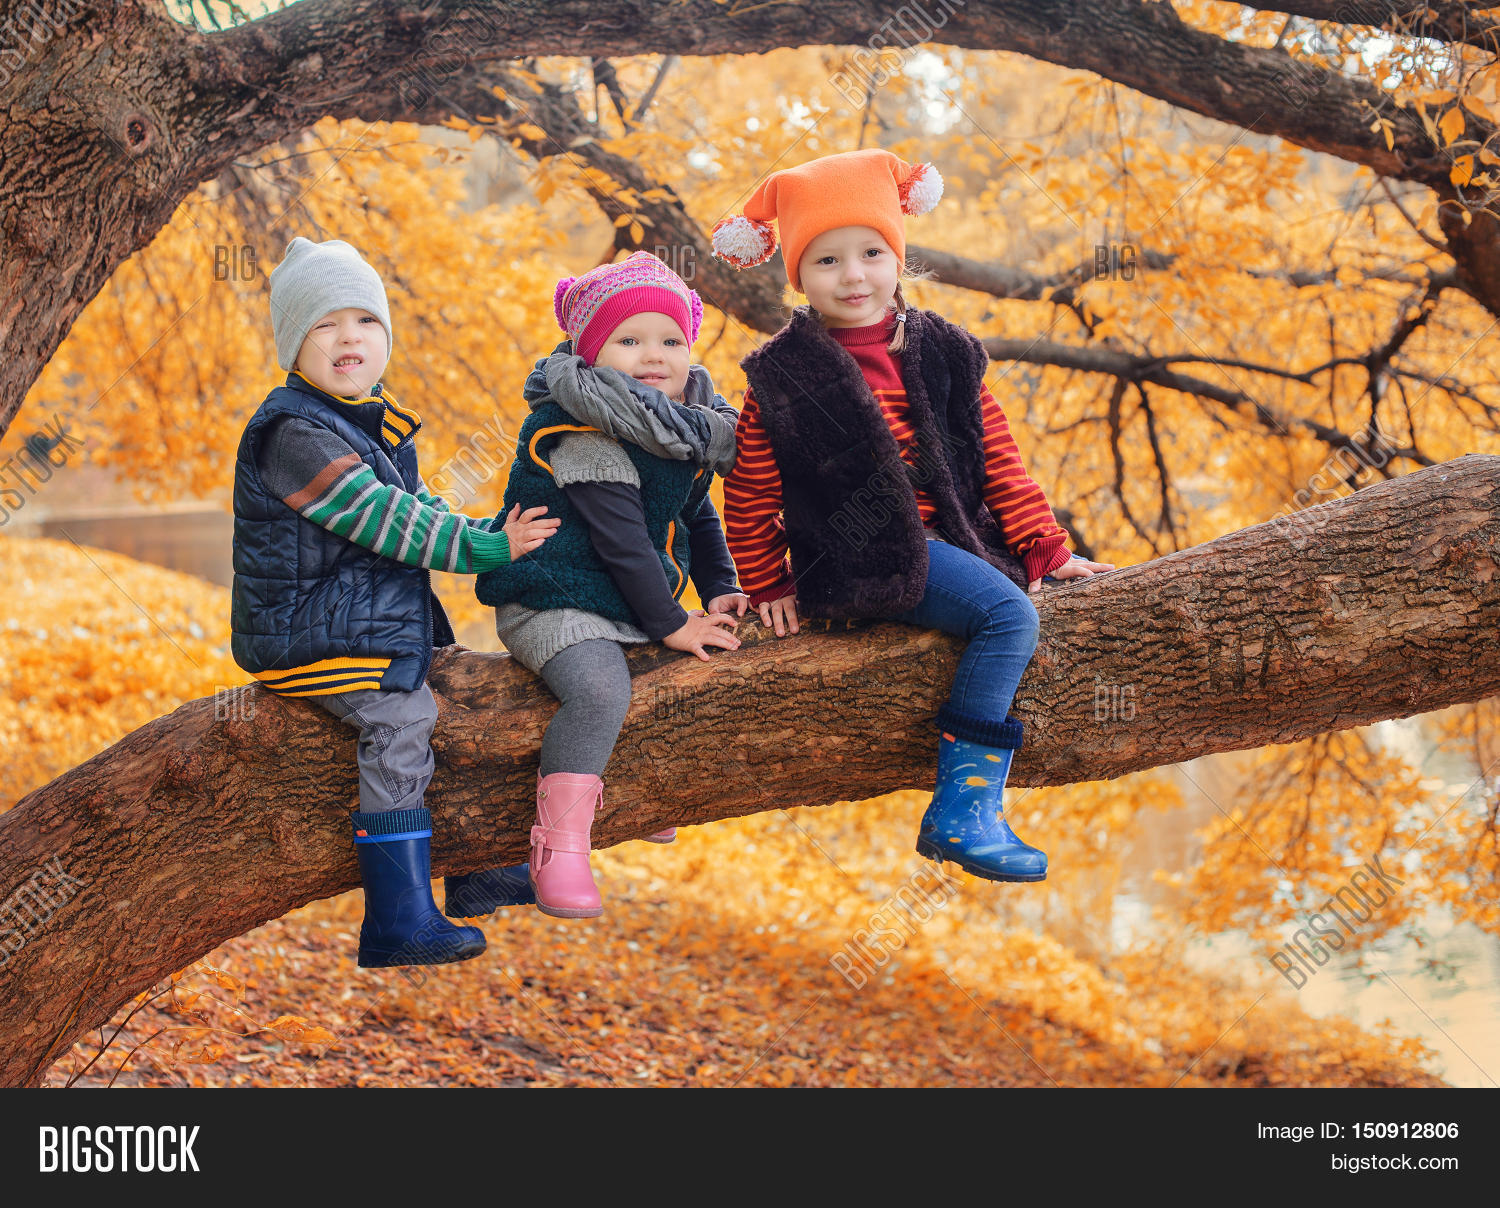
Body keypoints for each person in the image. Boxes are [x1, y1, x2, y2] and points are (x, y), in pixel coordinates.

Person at [712, 149, 1114, 883]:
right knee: (1009, 616)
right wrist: (768, 583)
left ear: (897, 255)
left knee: (1010, 596)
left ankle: (973, 805)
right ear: (798, 275)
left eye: (871, 253)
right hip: (861, 555)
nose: (854, 276)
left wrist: (1046, 548)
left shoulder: (943, 349)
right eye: (827, 260)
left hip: (950, 536)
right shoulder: (782, 374)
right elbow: (749, 492)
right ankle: (963, 810)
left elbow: (997, 455)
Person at [230, 237, 558, 967]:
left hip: (355, 623)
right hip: (302, 634)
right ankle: (397, 918)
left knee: (466, 698)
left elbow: (420, 505)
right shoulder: (293, 434)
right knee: (402, 718)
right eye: (324, 325)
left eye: (365, 322)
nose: (348, 338)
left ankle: (477, 869)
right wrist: (484, 551)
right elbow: (385, 520)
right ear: (294, 346)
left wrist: (489, 532)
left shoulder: (359, 420)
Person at [469, 251, 748, 919]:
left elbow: (697, 510)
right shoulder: (580, 426)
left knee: (677, 681)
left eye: (671, 340)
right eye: (629, 341)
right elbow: (621, 540)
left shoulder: (683, 425)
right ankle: (559, 846)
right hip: (554, 595)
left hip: (624, 597)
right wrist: (672, 623)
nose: (654, 356)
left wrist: (719, 586)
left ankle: (626, 792)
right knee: (599, 689)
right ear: (591, 352)